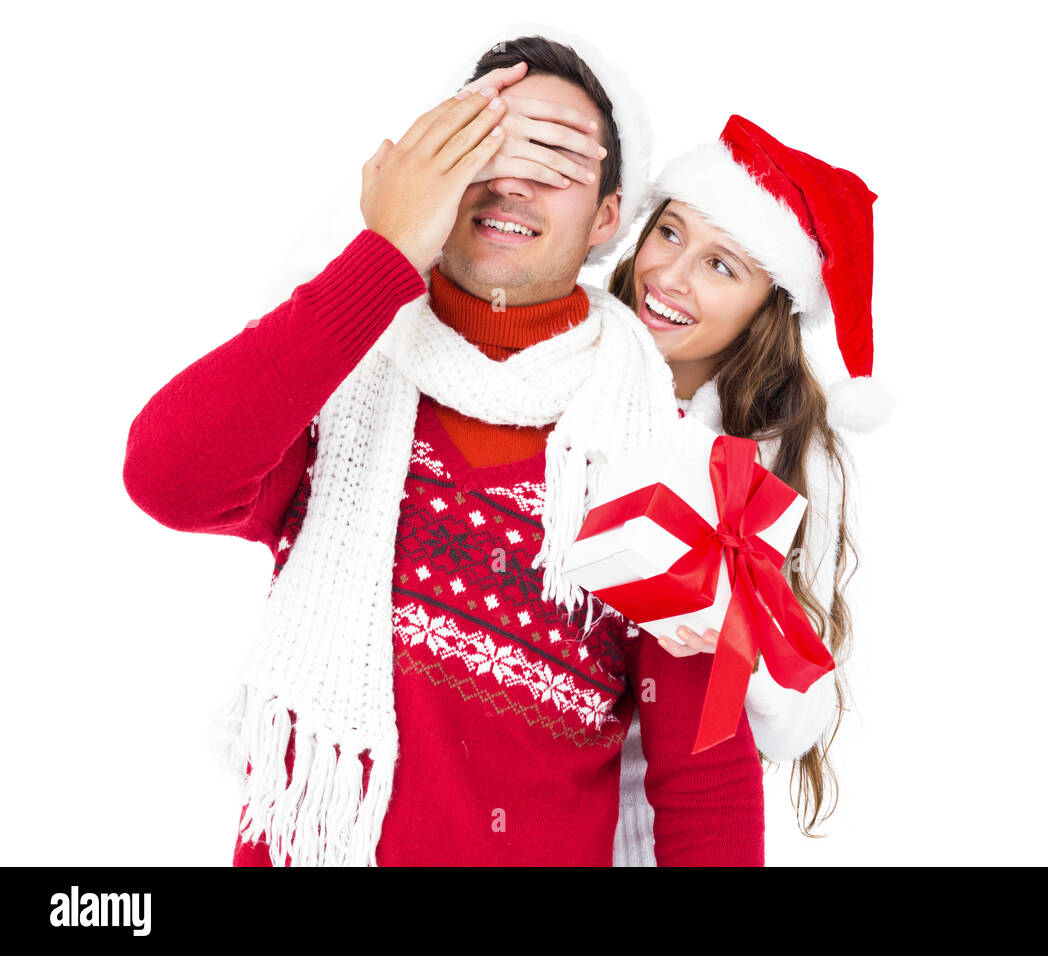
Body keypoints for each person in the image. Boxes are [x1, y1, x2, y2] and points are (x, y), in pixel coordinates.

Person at [121, 34, 766, 866]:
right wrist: (384, 254)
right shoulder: (336, 368)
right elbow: (167, 478)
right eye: (484, 142)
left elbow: (705, 780)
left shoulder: (666, 457)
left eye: (559, 160)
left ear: (609, 218)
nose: (512, 179)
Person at [602, 115, 893, 865]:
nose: (668, 276)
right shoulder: (572, 363)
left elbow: (800, 714)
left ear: (770, 306)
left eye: (720, 265)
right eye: (669, 234)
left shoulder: (787, 458)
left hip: (664, 819)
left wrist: (740, 644)